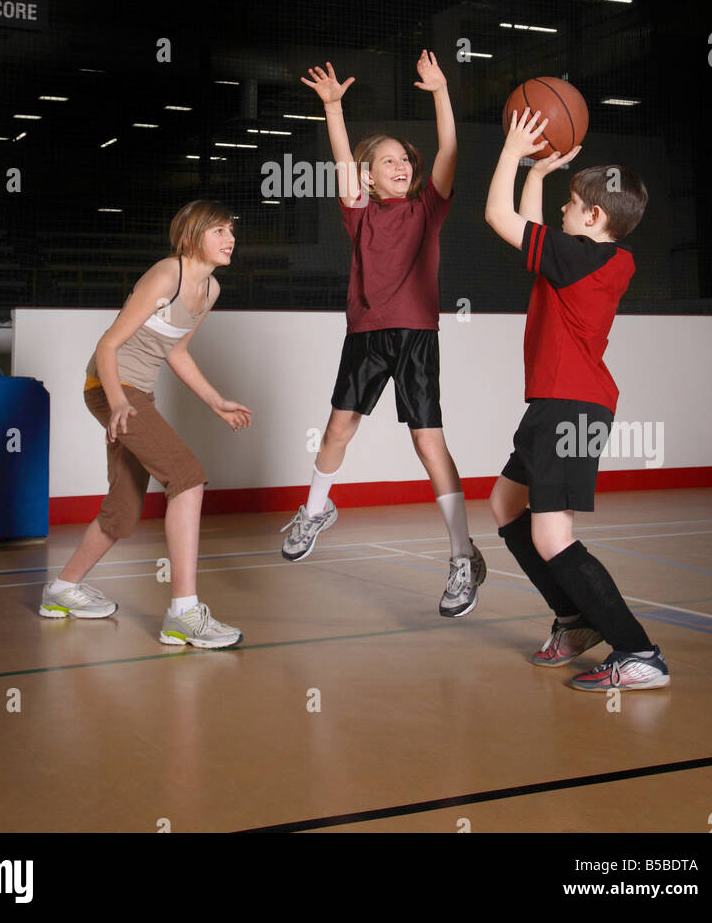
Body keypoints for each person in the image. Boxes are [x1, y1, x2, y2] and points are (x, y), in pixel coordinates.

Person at [280, 51, 486, 617]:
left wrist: (442, 91)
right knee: (335, 431)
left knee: (427, 442)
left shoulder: (428, 208)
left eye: (403, 159)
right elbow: (343, 156)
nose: (398, 164)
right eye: (386, 160)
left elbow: (448, 149)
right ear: (370, 176)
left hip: (416, 334)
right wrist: (333, 108)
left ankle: (461, 558)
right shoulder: (359, 212)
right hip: (365, 334)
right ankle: (317, 508)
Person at [485, 109, 669, 689]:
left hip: (570, 405)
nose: (563, 212)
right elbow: (530, 231)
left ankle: (640, 653)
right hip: (564, 403)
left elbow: (497, 215)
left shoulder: (578, 257)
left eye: (570, 203)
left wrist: (512, 152)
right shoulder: (590, 259)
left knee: (551, 534)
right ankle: (575, 619)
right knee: (506, 506)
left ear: (593, 215)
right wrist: (539, 177)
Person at [38, 199, 252, 649]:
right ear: (192, 235)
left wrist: (215, 401)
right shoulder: (165, 276)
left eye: (231, 230)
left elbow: (175, 351)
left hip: (136, 395)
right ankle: (183, 614)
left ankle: (61, 591)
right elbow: (108, 344)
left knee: (123, 510)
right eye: (218, 231)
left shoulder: (209, 290)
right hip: (110, 387)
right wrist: (117, 403)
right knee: (188, 478)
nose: (230, 239)